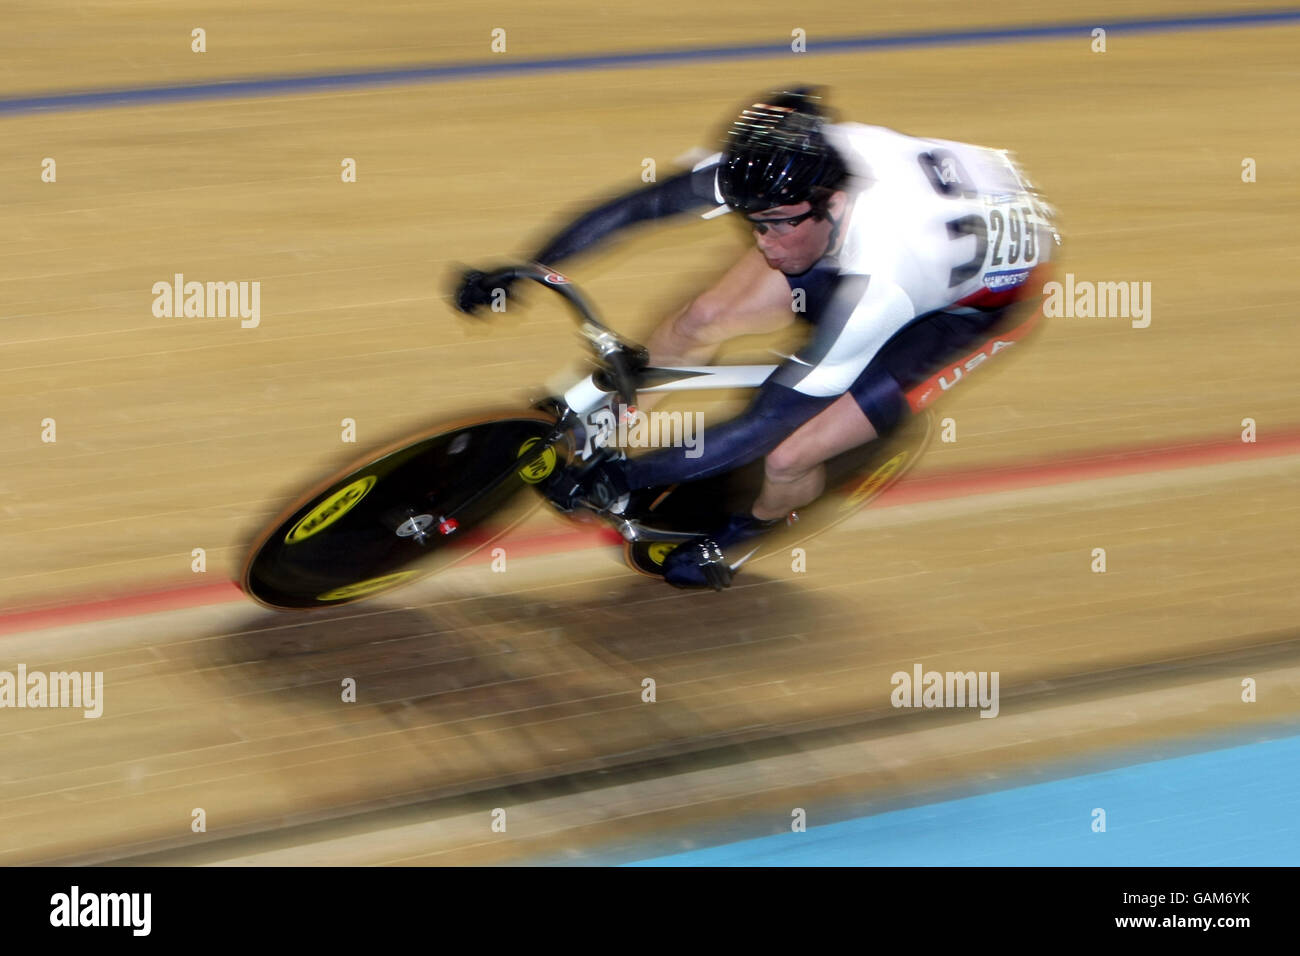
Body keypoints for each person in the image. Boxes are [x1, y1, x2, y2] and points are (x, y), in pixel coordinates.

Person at [454, 87, 1058, 589]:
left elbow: (764, 423)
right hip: (920, 220)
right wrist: (522, 267)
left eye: (775, 227)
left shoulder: (886, 275)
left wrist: (628, 477)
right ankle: (603, 426)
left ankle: (744, 536)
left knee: (793, 450)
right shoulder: (784, 169)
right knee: (699, 320)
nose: (762, 243)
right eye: (752, 225)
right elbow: (641, 208)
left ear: (833, 204)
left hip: (972, 306)